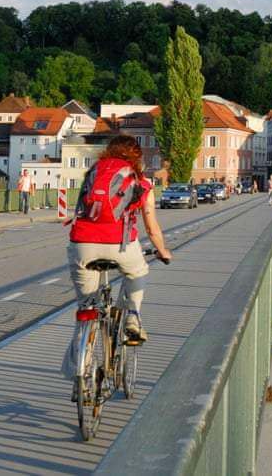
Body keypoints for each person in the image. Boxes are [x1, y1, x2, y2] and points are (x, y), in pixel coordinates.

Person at [64, 136, 172, 370]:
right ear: (137, 157)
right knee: (137, 271)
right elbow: (151, 227)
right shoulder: (141, 182)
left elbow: (82, 208)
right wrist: (163, 251)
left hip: (82, 242)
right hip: (120, 244)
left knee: (87, 308)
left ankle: (80, 371)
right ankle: (132, 317)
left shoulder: (93, 172)